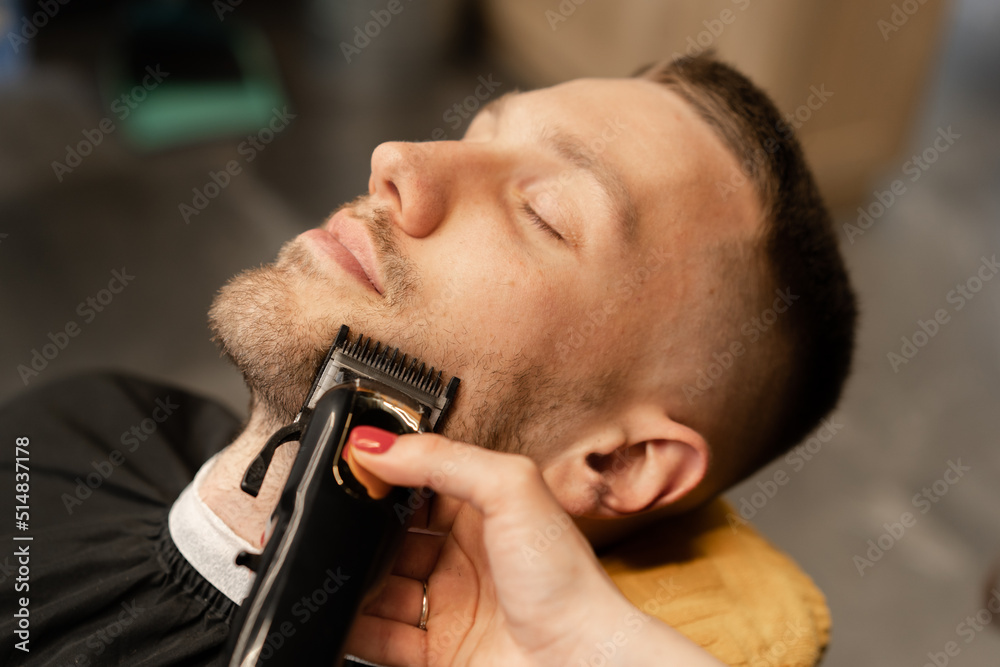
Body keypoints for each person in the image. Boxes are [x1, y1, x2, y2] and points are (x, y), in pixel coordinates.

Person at [0, 53, 856, 666]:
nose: (397, 163)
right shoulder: (84, 426)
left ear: (620, 460)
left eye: (546, 213)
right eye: (473, 132)